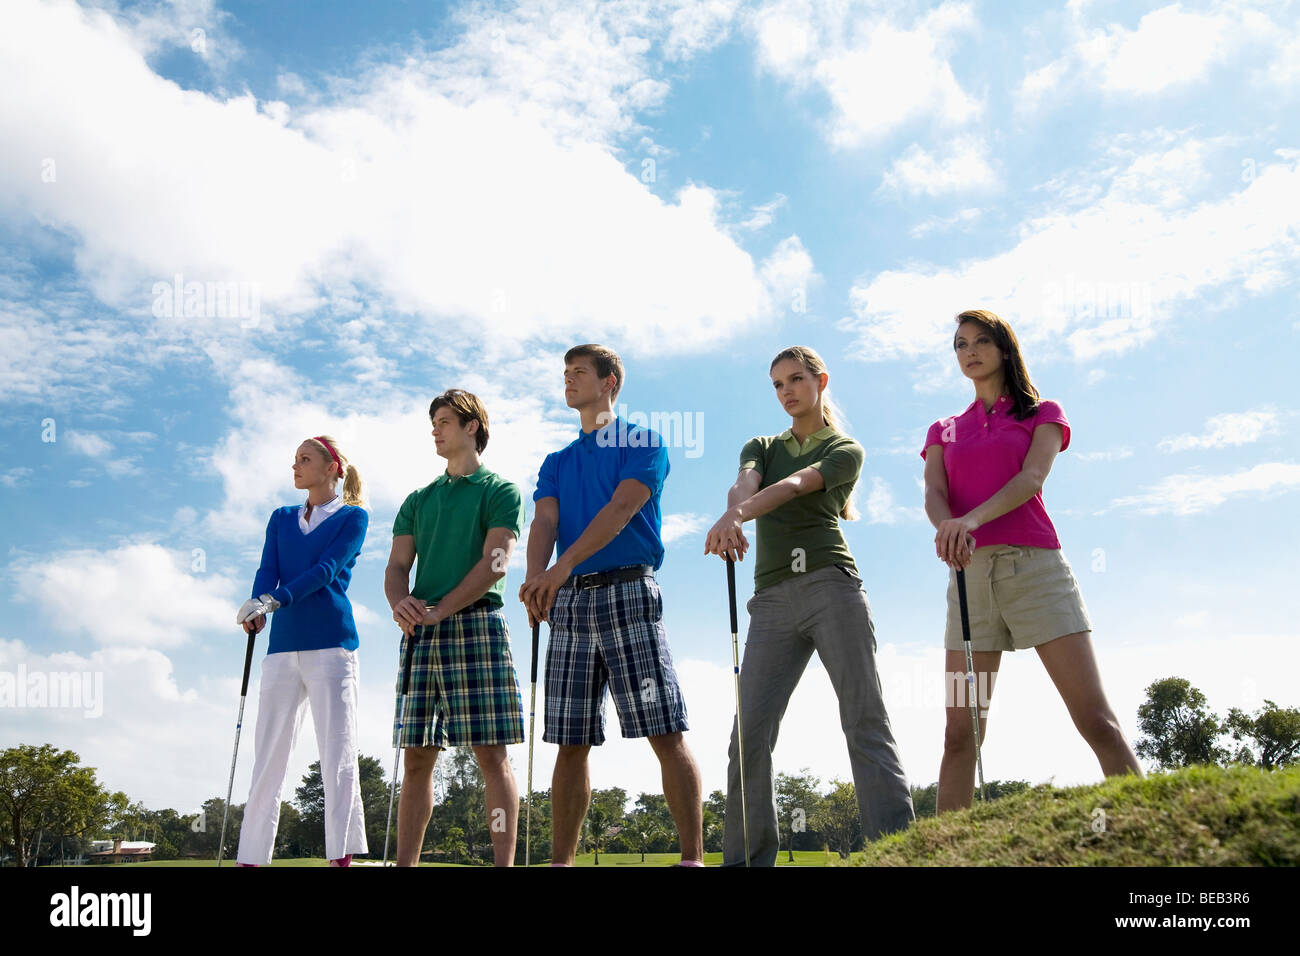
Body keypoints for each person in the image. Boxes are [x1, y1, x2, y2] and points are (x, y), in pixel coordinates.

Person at [922, 309, 1142, 812]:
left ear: (1004, 348)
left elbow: (1031, 479)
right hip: (969, 583)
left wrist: (969, 521)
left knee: (1095, 719)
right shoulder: (943, 429)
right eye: (959, 344)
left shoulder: (1042, 412)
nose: (969, 351)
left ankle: (1148, 827)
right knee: (960, 734)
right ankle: (939, 855)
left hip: (1036, 570)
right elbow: (934, 491)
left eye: (979, 341)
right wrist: (947, 526)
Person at [705, 345, 914, 866]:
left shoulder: (845, 448)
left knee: (864, 720)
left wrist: (740, 517)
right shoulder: (762, 444)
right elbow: (746, 482)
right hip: (771, 601)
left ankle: (897, 854)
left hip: (831, 586)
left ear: (821, 380)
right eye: (777, 384)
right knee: (747, 736)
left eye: (796, 379)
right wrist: (735, 511)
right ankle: (746, 861)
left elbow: (798, 485)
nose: (786, 392)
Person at [519, 344, 704, 867]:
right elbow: (545, 524)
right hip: (571, 606)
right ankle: (561, 862)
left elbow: (621, 509)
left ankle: (692, 858)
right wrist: (537, 579)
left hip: (628, 593)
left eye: (579, 372)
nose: (568, 380)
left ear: (610, 382)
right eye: (565, 373)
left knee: (663, 728)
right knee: (569, 741)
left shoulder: (644, 442)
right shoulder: (557, 462)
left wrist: (560, 568)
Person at [385, 389, 527, 867]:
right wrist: (399, 603)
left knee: (491, 753)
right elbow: (397, 566)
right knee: (417, 758)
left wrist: (441, 608)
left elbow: (498, 560)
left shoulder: (500, 491)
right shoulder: (417, 500)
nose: (435, 429)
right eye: (434, 422)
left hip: (476, 627)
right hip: (421, 633)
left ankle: (503, 864)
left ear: (472, 427)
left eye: (445, 420)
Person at [234, 435, 369, 867]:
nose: (296, 466)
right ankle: (251, 858)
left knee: (338, 753)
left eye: (305, 459)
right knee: (268, 755)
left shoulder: (353, 518)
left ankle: (340, 856)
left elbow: (325, 571)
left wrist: (273, 601)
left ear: (332, 468)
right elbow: (267, 569)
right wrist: (257, 604)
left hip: (332, 647)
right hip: (282, 649)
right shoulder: (280, 517)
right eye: (294, 459)